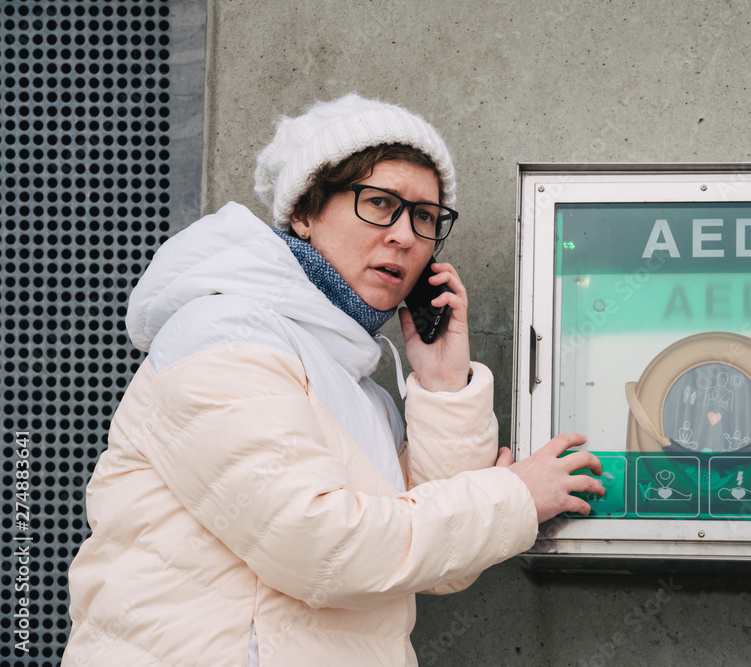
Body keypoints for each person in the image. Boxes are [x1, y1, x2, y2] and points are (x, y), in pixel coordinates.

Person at [62, 93, 604, 666]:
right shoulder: (225, 335)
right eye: (380, 203)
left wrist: (444, 383)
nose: (405, 235)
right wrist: (517, 495)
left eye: (425, 217)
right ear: (304, 211)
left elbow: (440, 566)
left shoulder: (357, 385)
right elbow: (321, 548)